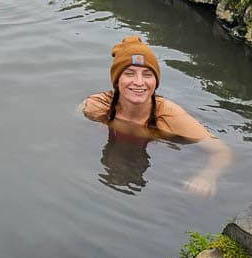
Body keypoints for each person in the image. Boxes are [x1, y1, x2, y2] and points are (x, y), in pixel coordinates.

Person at [81, 35, 231, 196]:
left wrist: (207, 177)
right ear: (117, 81)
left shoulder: (169, 116)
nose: (139, 82)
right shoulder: (99, 106)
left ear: (155, 82)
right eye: (130, 73)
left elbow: (221, 151)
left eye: (147, 75)